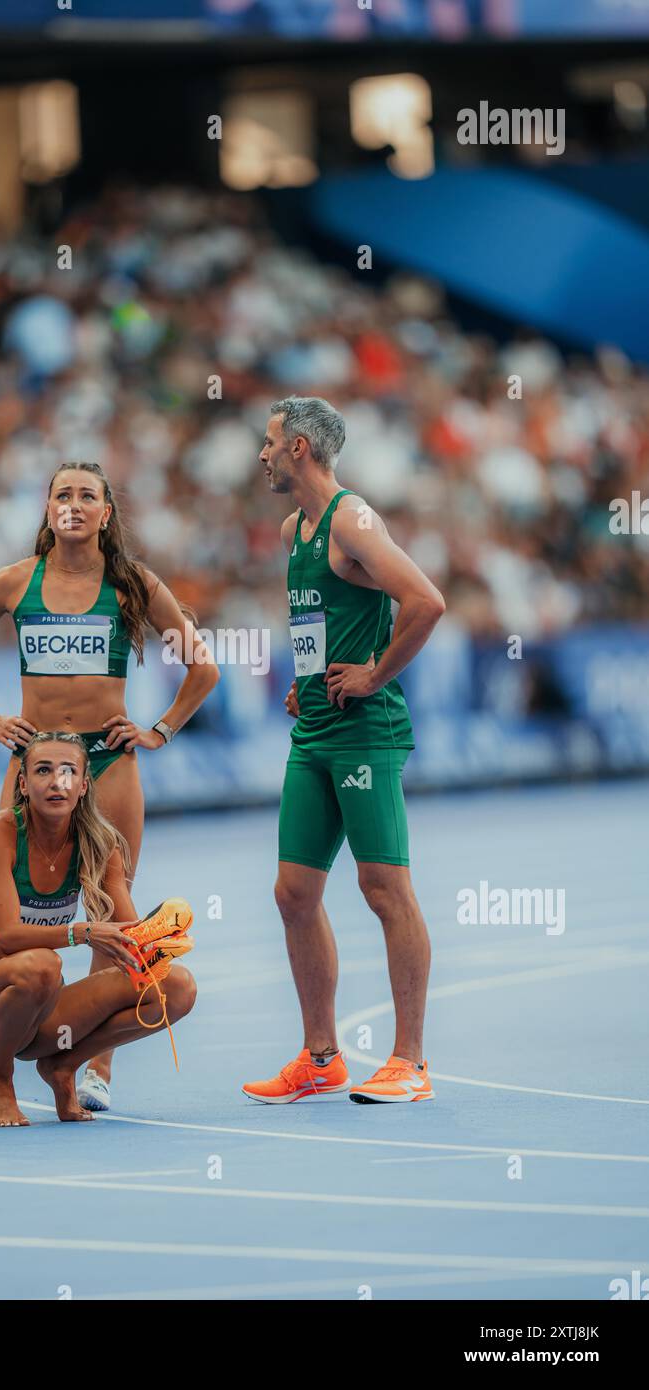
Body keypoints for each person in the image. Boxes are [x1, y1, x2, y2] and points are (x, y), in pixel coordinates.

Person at [0, 461, 217, 1114]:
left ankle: (93, 1069)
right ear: (47, 509)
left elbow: (204, 668)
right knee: (3, 911)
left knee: (111, 910)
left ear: (107, 513)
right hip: (34, 765)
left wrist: (158, 729)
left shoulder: (133, 585)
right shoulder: (15, 582)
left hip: (109, 762)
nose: (74, 503)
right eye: (62, 494)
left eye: (88, 495)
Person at [243, 396, 445, 1105]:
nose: (261, 454)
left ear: (300, 447)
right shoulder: (293, 527)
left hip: (365, 730)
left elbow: (425, 602)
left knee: (384, 889)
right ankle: (322, 1057)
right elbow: (319, 619)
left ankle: (410, 1062)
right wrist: (309, 678)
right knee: (293, 894)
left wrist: (372, 674)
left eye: (269, 443)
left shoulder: (351, 519)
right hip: (316, 732)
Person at [0, 731, 196, 1127]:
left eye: (68, 771)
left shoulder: (99, 843)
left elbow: (127, 932)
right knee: (42, 965)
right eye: (43, 770)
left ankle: (63, 1064)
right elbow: (8, 935)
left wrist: (154, 940)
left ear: (83, 784)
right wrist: (85, 932)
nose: (56, 782)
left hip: (39, 1015)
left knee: (178, 988)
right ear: (23, 784)